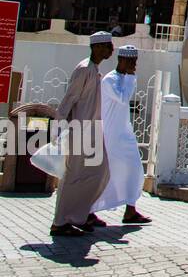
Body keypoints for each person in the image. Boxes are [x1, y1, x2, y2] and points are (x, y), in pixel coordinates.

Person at [50, 31, 114, 237]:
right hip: (79, 131)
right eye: (107, 45)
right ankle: (60, 222)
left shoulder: (94, 70)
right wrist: (58, 127)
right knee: (73, 177)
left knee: (100, 172)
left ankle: (81, 214)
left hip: (92, 132)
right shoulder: (84, 69)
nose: (111, 49)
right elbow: (69, 99)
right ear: (96, 47)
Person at [91, 45, 151, 226]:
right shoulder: (110, 80)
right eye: (131, 61)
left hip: (124, 134)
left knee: (134, 170)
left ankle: (130, 211)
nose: (134, 65)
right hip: (111, 135)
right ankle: (89, 211)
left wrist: (130, 77)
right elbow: (123, 98)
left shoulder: (125, 78)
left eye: (135, 61)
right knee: (107, 175)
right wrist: (131, 77)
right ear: (121, 60)